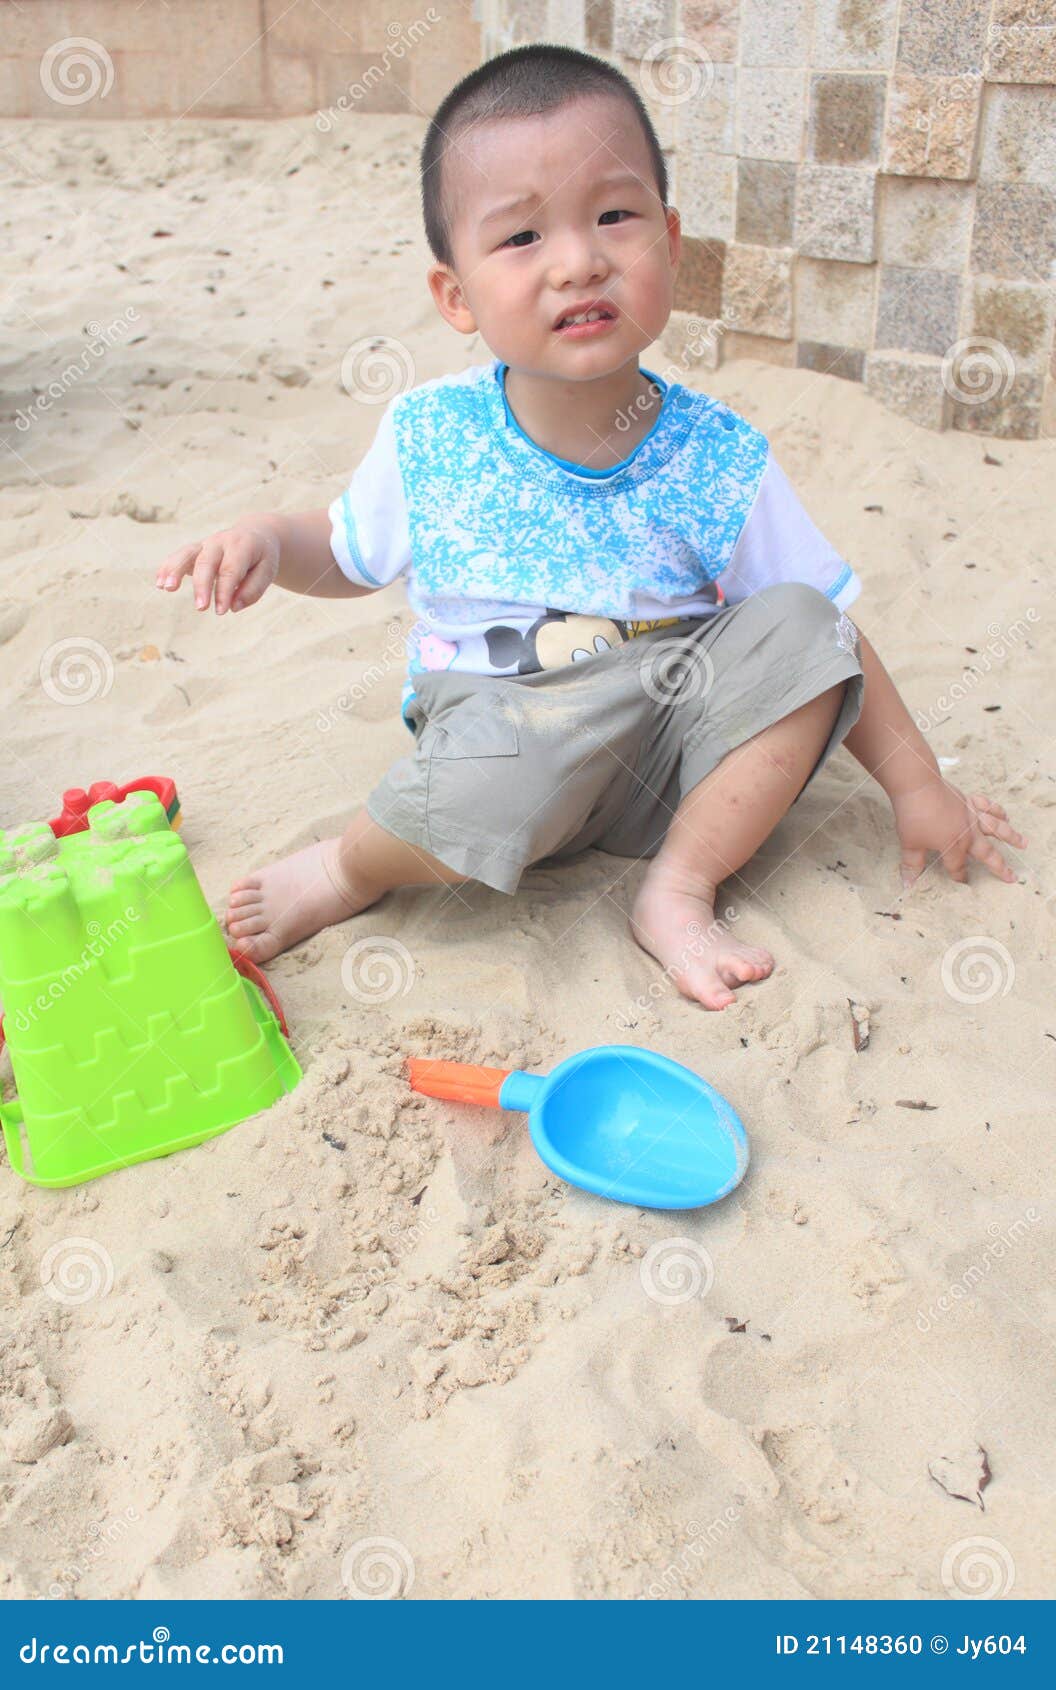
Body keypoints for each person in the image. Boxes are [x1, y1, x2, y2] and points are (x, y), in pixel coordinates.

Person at [154, 45, 1025, 1011]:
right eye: (522, 238)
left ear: (672, 241)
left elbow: (816, 637)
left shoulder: (717, 455)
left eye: (615, 214)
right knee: (498, 770)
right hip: (507, 736)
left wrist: (916, 786)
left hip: (673, 755)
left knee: (806, 624)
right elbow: (350, 553)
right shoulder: (433, 436)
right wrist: (273, 544)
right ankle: (350, 871)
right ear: (456, 295)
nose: (579, 260)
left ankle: (680, 887)